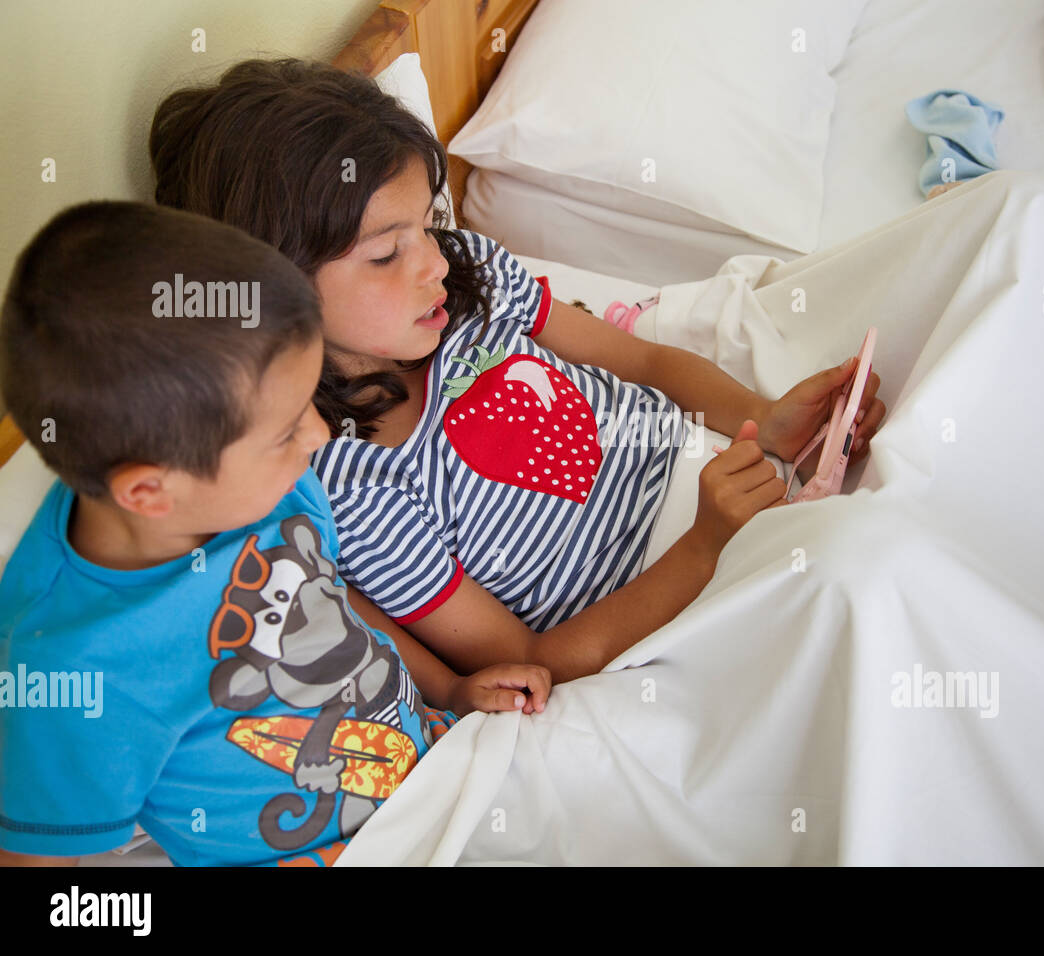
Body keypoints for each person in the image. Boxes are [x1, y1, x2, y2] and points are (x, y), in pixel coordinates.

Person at [149, 58, 887, 684]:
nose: (435, 262)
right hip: (666, 592)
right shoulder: (351, 482)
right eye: (385, 254)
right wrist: (705, 542)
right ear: (278, 294)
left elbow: (646, 359)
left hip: (727, 482)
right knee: (863, 587)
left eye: (430, 225)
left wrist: (767, 419)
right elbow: (531, 658)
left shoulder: (466, 279)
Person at [0, 201, 551, 867]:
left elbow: (334, 595)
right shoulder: (73, 673)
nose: (320, 437)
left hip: (440, 766)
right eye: (290, 429)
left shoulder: (259, 478)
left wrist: (448, 688)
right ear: (149, 491)